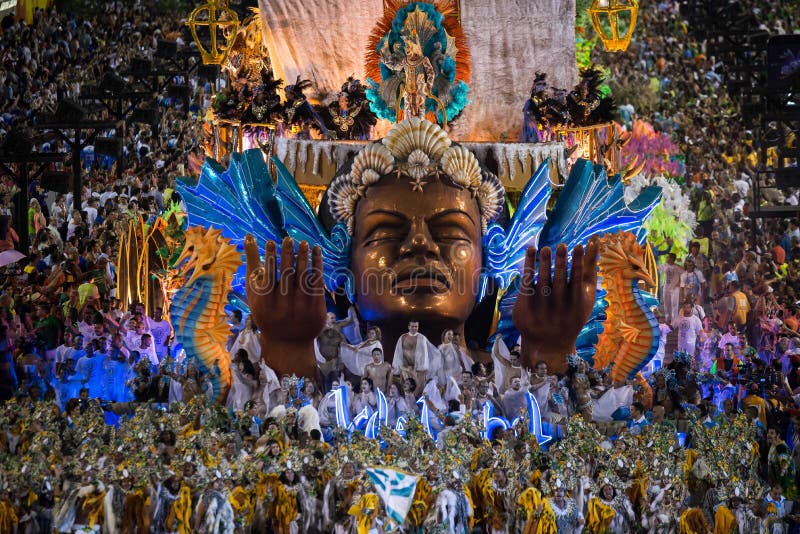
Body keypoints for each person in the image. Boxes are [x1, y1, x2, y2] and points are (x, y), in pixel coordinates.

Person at [392, 321, 441, 397]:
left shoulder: (422, 338)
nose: (414, 328)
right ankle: (407, 407)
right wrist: (397, 367)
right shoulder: (403, 337)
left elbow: (430, 351)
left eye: (416, 326)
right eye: (412, 326)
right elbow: (398, 353)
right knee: (405, 389)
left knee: (420, 389)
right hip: (405, 368)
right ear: (408, 327)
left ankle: (418, 407)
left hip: (419, 370)